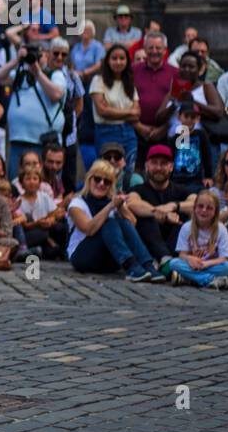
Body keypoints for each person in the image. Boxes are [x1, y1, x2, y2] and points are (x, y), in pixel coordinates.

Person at [67, 160, 166, 281]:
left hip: (109, 260)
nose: (101, 184)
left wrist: (120, 208)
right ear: (89, 179)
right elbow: (88, 229)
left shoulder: (113, 202)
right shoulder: (77, 203)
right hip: (82, 257)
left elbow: (132, 224)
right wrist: (110, 207)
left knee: (122, 221)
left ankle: (147, 264)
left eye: (107, 181)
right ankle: (131, 265)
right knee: (108, 222)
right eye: (97, 179)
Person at [0, 40, 66, 174]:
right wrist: (17, 60)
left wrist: (38, 72)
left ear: (48, 56)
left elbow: (56, 94)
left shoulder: (55, 74)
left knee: (43, 184)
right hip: (18, 140)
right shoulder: (20, 74)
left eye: (40, 55)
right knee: (16, 184)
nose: (36, 59)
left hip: (44, 143)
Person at [89, 43, 140, 174]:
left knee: (128, 172)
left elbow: (137, 113)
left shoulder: (129, 83)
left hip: (128, 133)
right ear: (108, 60)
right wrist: (129, 111)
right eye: (114, 58)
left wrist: (112, 111)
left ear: (127, 61)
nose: (118, 62)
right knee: (107, 173)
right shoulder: (98, 80)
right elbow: (102, 111)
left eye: (122, 58)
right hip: (106, 132)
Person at [165, 189, 228, 288]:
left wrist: (206, 264)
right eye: (200, 206)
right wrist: (190, 258)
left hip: (211, 265)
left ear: (215, 212)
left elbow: (224, 257)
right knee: (174, 263)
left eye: (209, 208)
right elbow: (182, 254)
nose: (204, 210)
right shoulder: (187, 227)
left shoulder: (221, 229)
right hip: (192, 265)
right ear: (195, 208)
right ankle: (210, 280)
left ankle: (189, 279)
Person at [132, 33, 178, 165]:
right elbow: (125, 102)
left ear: (165, 50)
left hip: (167, 133)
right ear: (145, 49)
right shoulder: (133, 70)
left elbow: (179, 106)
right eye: (150, 48)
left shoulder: (175, 73)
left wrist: (163, 128)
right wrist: (139, 126)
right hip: (137, 134)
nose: (154, 51)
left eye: (158, 48)